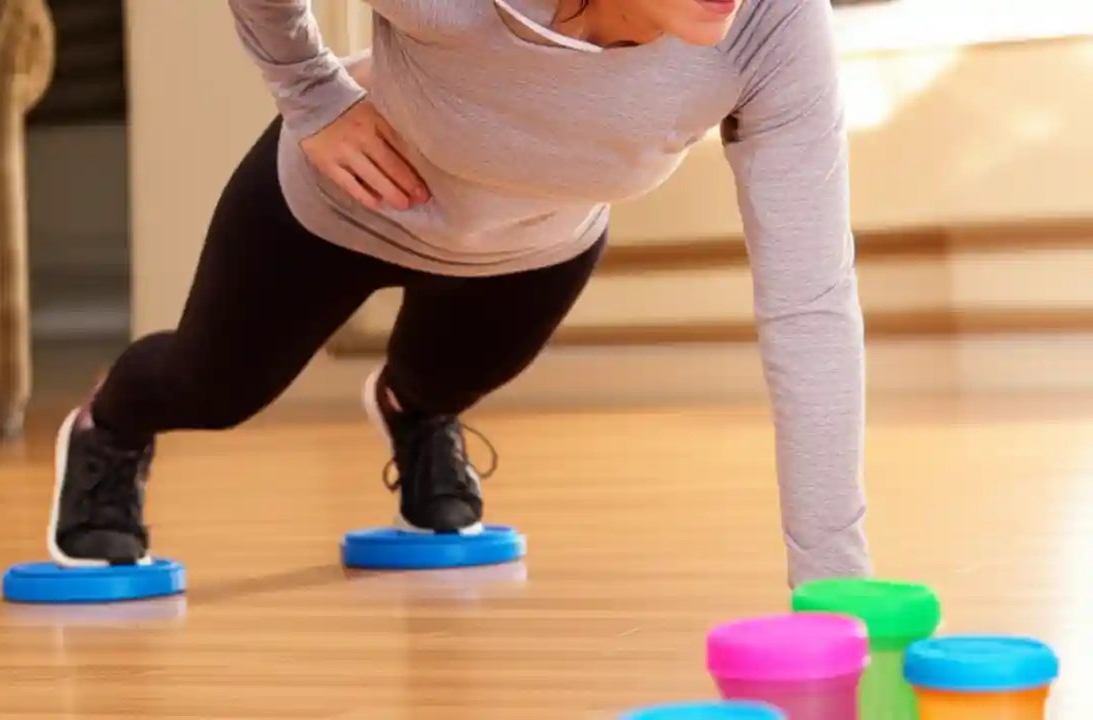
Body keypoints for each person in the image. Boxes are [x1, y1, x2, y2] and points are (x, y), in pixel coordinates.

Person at [47, 0, 872, 586]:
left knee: (442, 384)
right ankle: (108, 427)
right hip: (343, 201)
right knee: (212, 387)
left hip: (530, 246)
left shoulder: (778, 28)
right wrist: (311, 92)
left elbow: (810, 305)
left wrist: (837, 600)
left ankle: (415, 418)